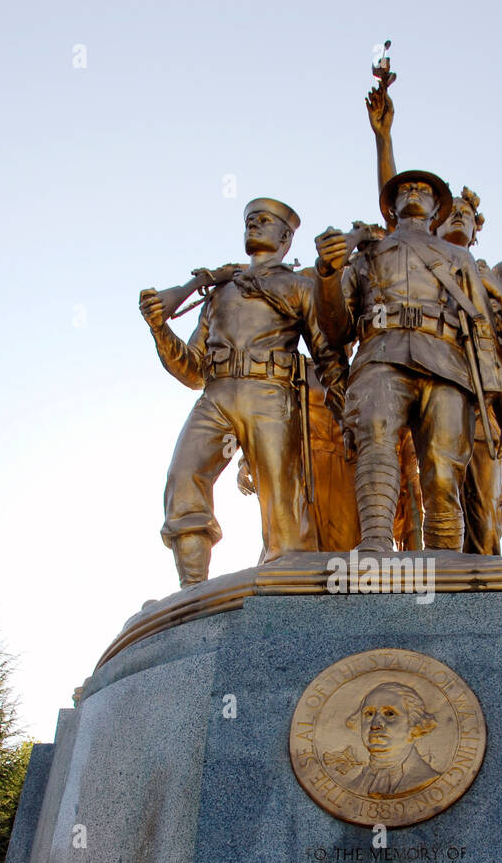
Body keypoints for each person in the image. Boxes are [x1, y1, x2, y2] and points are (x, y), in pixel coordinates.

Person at [139, 198, 346, 585]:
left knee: (283, 505)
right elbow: (192, 370)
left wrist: (345, 408)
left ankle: (292, 590)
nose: (253, 225)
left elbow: (326, 354)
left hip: (270, 396)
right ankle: (192, 590)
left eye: (263, 220)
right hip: (216, 397)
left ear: (285, 237)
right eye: (250, 219)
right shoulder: (220, 293)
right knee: (184, 476)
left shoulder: (301, 287)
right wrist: (159, 329)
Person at [314, 171, 502, 552]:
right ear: (391, 208)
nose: (413, 193)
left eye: (423, 190)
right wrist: (327, 274)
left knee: (443, 469)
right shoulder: (367, 255)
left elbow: (483, 334)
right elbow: (336, 329)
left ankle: (445, 560)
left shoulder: (460, 258)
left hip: (446, 366)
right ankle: (375, 543)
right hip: (380, 356)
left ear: (436, 207)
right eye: (405, 189)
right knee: (376, 439)